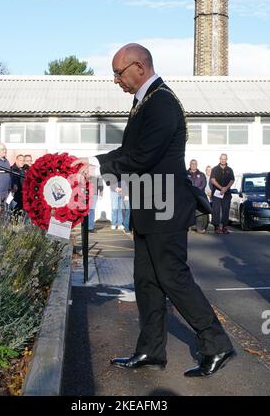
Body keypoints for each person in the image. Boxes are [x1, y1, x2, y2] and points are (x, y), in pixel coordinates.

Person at [71, 43, 235, 377]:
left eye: (119, 73)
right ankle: (150, 350)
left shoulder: (161, 102)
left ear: (139, 67)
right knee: (146, 280)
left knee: (172, 277)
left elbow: (143, 156)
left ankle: (216, 344)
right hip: (150, 205)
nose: (116, 80)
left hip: (166, 207)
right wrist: (93, 161)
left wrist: (94, 166)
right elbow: (130, 149)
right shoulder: (144, 100)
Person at [210, 154, 235, 234]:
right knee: (216, 210)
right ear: (219, 159)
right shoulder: (215, 169)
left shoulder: (230, 169)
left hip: (227, 193)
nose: (223, 160)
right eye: (222, 159)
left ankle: (224, 227)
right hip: (217, 193)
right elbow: (212, 180)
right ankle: (216, 227)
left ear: (226, 159)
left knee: (226, 210)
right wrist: (221, 188)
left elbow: (232, 180)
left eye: (224, 159)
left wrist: (226, 188)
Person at [187, 159, 208, 234]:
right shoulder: (185, 174)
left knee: (200, 213)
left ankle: (200, 228)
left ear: (197, 165)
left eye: (195, 164)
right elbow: (184, 183)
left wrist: (196, 192)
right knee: (188, 212)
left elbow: (203, 184)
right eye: (192, 164)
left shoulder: (201, 174)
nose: (193, 165)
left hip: (199, 196)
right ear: (190, 164)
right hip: (188, 196)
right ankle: (188, 227)